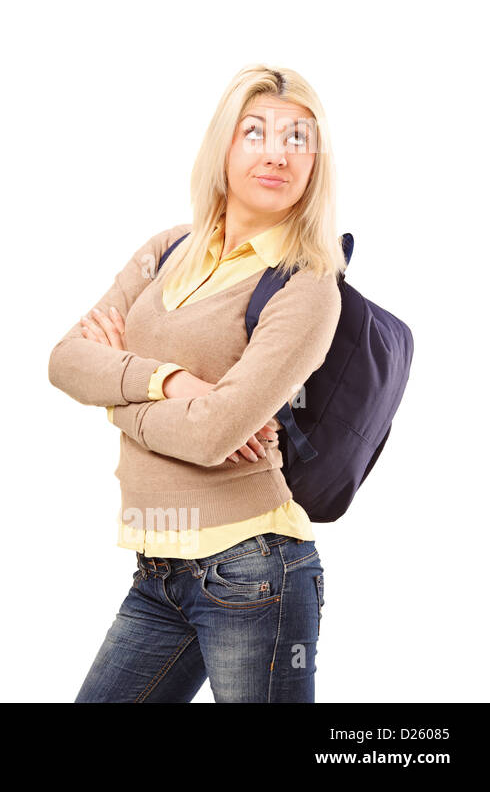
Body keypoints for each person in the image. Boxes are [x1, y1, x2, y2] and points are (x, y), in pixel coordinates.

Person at [47, 65, 346, 702]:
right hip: (158, 573)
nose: (277, 152)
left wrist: (114, 397)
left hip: (254, 570)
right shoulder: (167, 250)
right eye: (255, 132)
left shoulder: (307, 284)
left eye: (298, 138)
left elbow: (213, 433)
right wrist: (172, 382)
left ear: (316, 161)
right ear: (224, 148)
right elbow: (65, 362)